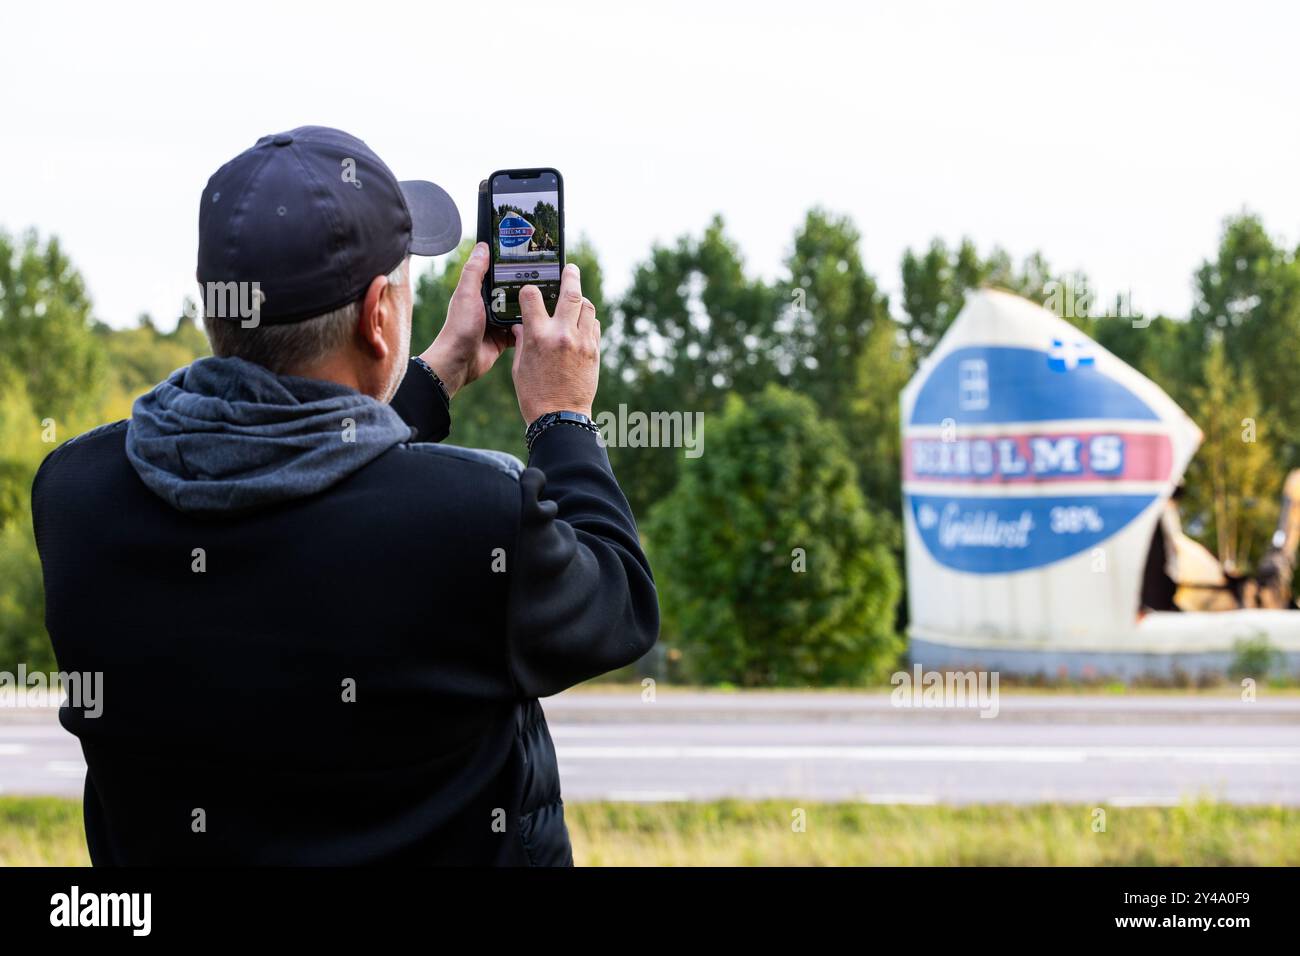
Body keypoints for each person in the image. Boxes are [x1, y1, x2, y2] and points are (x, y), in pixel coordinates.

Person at [30, 126, 659, 866]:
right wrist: (562, 417)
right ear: (377, 317)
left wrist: (428, 379)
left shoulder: (77, 495)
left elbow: (307, 494)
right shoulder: (481, 521)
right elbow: (618, 606)